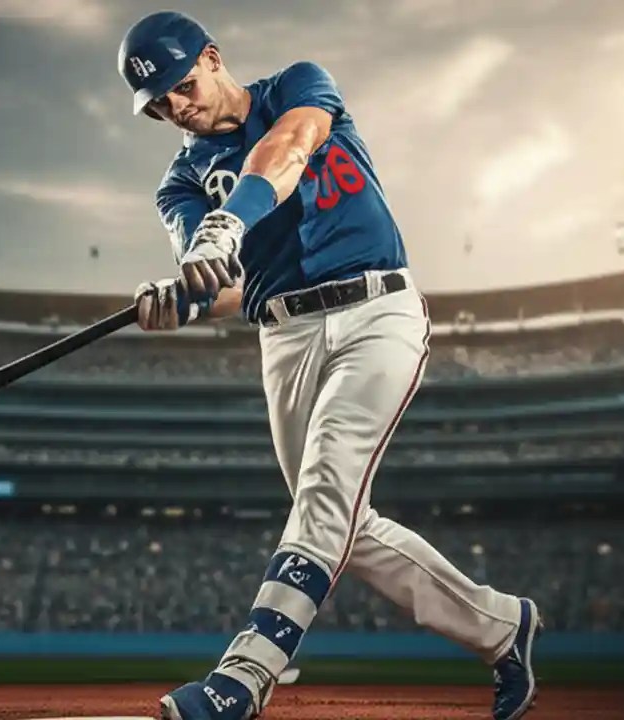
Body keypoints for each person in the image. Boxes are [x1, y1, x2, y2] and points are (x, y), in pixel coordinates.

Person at [118, 11, 541, 720]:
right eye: (159, 104)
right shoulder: (180, 185)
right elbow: (219, 283)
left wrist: (230, 222)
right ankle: (502, 626)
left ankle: (247, 674)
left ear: (213, 57)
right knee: (345, 520)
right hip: (283, 335)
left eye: (182, 86)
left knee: (323, 490)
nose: (176, 108)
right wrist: (182, 301)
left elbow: (292, 144)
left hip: (377, 311)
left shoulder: (294, 87)